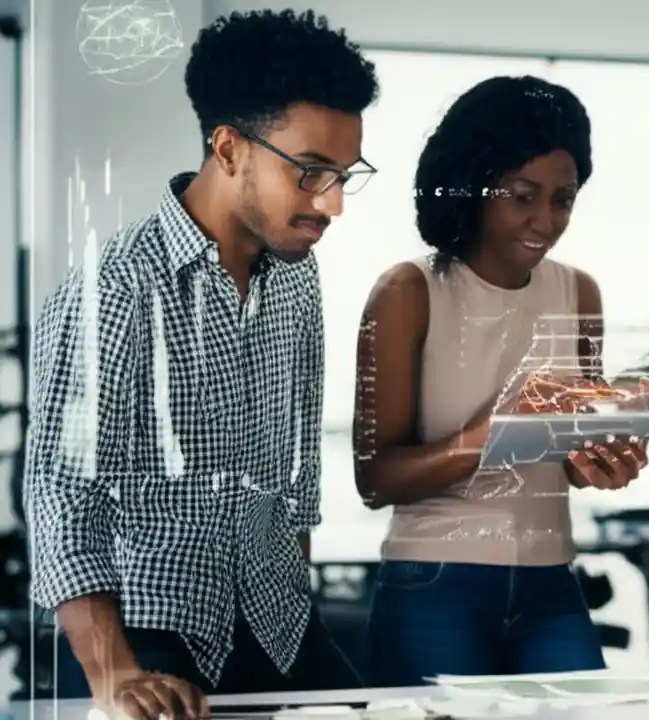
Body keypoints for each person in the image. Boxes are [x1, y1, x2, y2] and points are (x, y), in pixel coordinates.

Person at [26, 9, 378, 716]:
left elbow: (297, 467)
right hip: (147, 630)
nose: (332, 204)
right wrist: (115, 676)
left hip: (277, 620)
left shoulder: (296, 274)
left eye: (344, 174)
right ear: (228, 148)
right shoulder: (117, 286)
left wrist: (297, 592)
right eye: (310, 172)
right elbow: (60, 495)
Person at [354, 75, 648, 684]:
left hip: (551, 581)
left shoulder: (579, 292)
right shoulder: (410, 291)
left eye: (563, 198)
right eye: (522, 195)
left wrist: (603, 458)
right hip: (434, 582)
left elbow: (567, 455)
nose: (546, 219)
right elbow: (375, 478)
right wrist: (500, 427)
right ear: (475, 185)